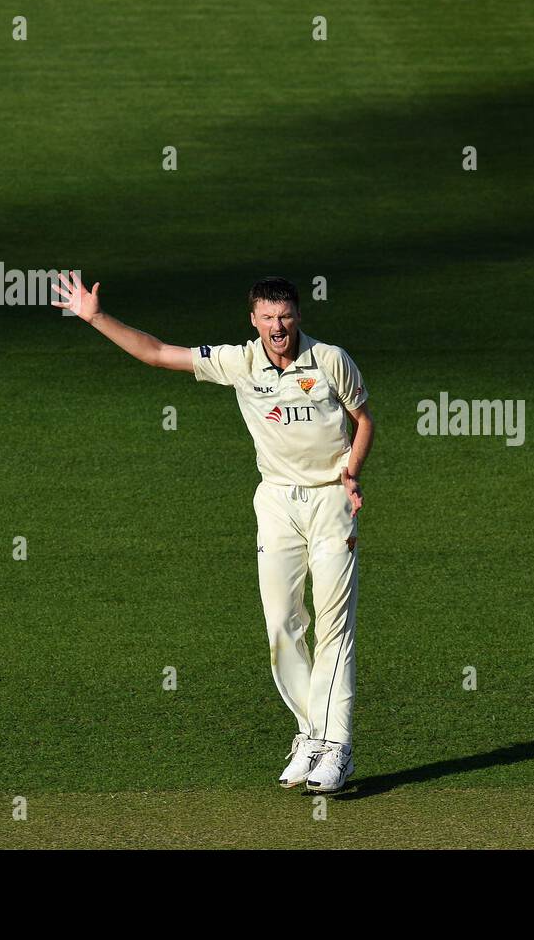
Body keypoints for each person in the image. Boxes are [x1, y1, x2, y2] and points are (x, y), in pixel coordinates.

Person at [51, 273, 374, 793]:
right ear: (254, 320)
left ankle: (337, 747)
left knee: (334, 623)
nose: (278, 327)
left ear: (299, 317)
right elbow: (157, 353)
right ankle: (310, 735)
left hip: (331, 499)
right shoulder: (239, 362)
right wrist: (95, 317)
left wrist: (352, 473)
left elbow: (364, 421)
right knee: (282, 625)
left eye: (286, 316)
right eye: (267, 317)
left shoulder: (331, 360)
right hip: (274, 501)